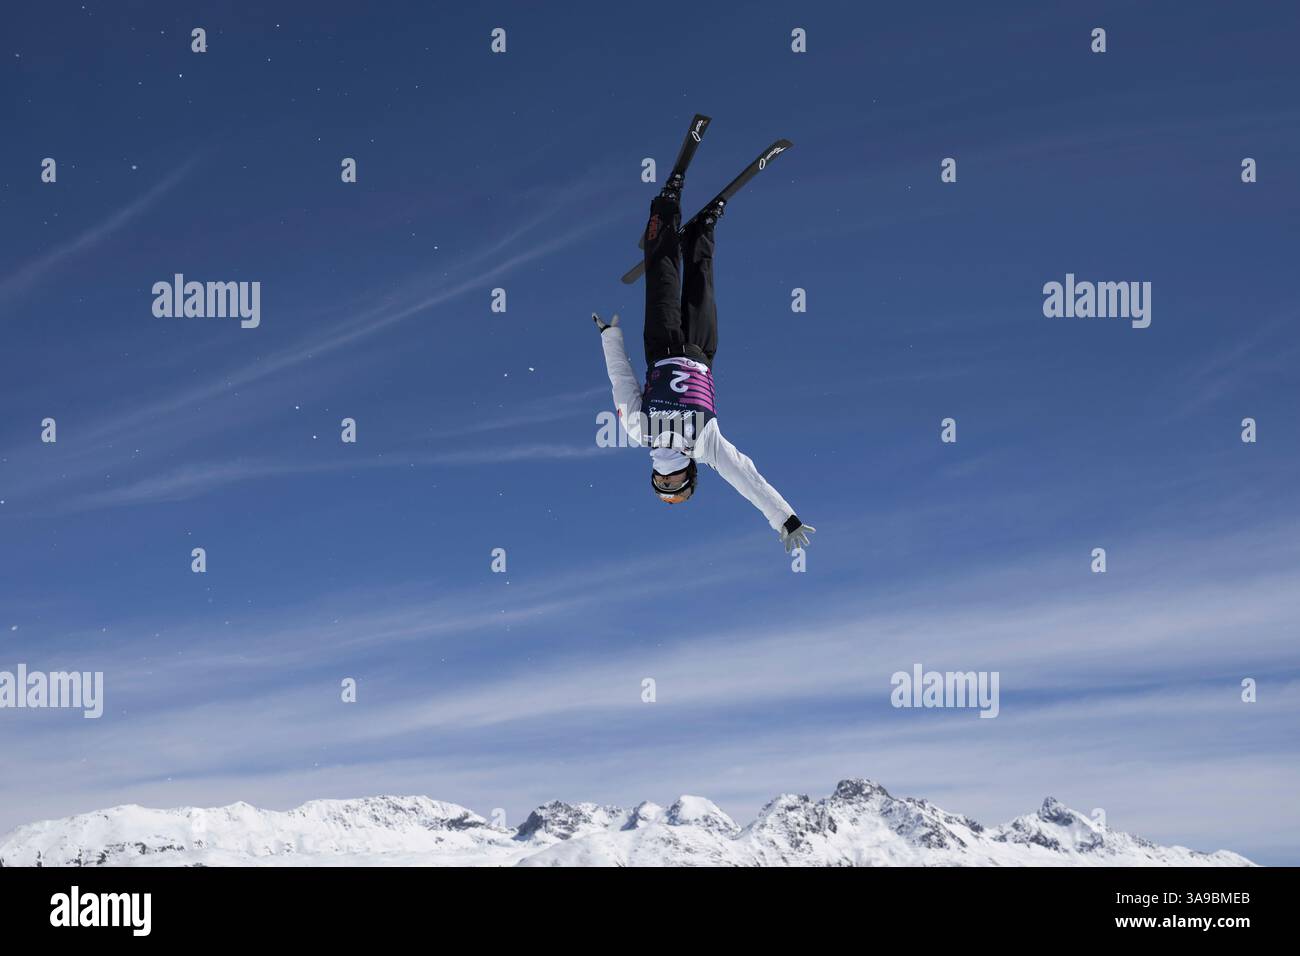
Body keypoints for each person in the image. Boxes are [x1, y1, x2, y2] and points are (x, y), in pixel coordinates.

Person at [593, 175, 814, 553]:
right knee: (682, 281)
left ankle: (682, 219)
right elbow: (747, 478)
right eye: (671, 484)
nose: (667, 479)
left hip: (680, 350)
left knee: (681, 282)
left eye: (665, 484)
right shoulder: (676, 440)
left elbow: (746, 478)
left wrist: (785, 517)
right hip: (683, 350)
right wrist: (609, 339)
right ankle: (688, 223)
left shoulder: (681, 442)